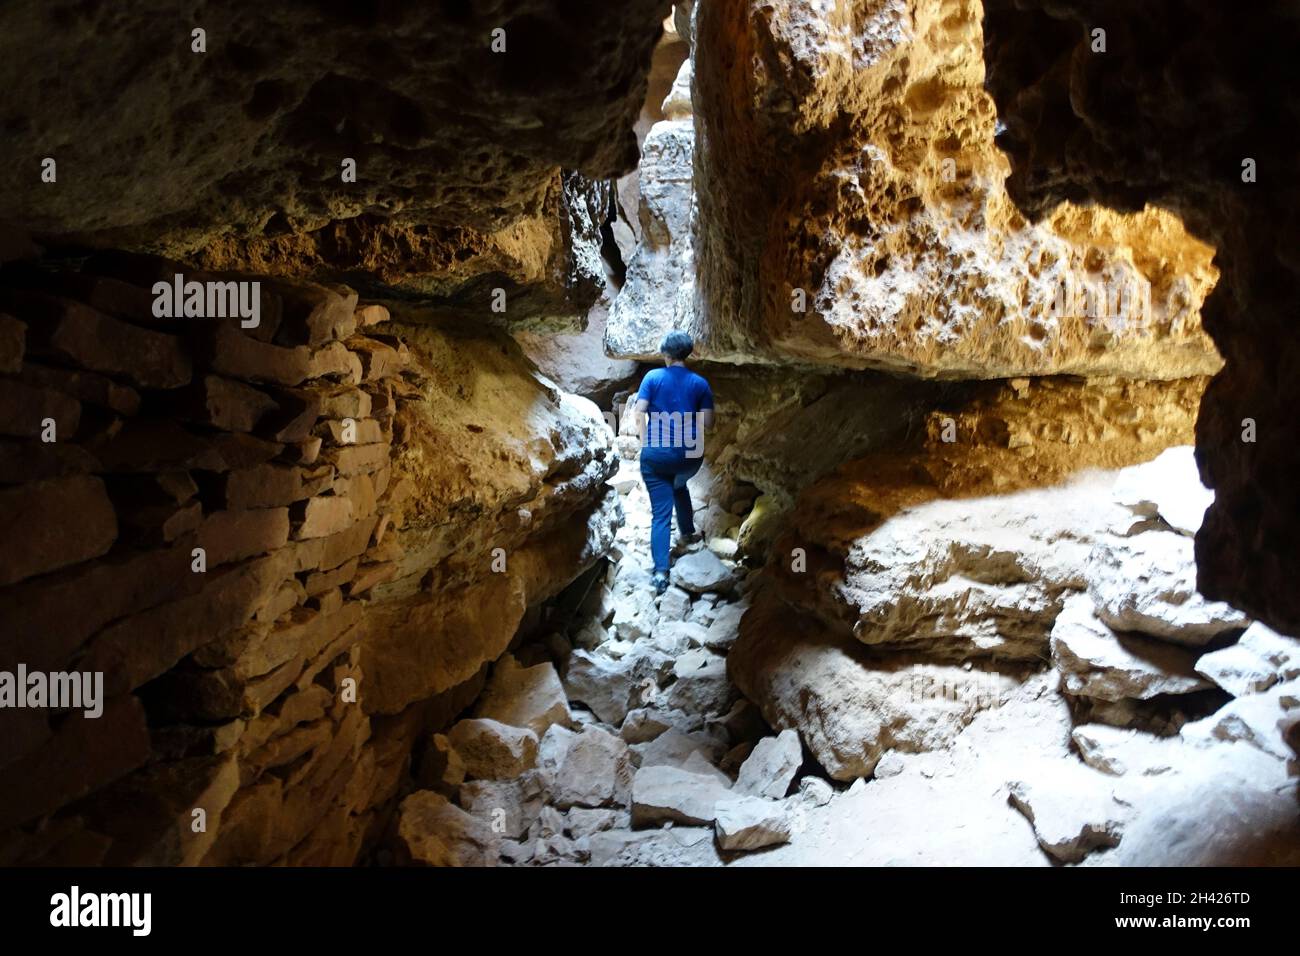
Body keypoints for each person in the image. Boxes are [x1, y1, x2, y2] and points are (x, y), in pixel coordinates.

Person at [635, 330, 714, 595]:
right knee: (679, 485)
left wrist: (645, 440)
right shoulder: (700, 383)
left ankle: (660, 572)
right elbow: (708, 423)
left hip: (657, 455)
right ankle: (688, 533)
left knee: (660, 513)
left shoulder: (652, 377)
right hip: (690, 457)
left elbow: (639, 412)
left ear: (666, 354)